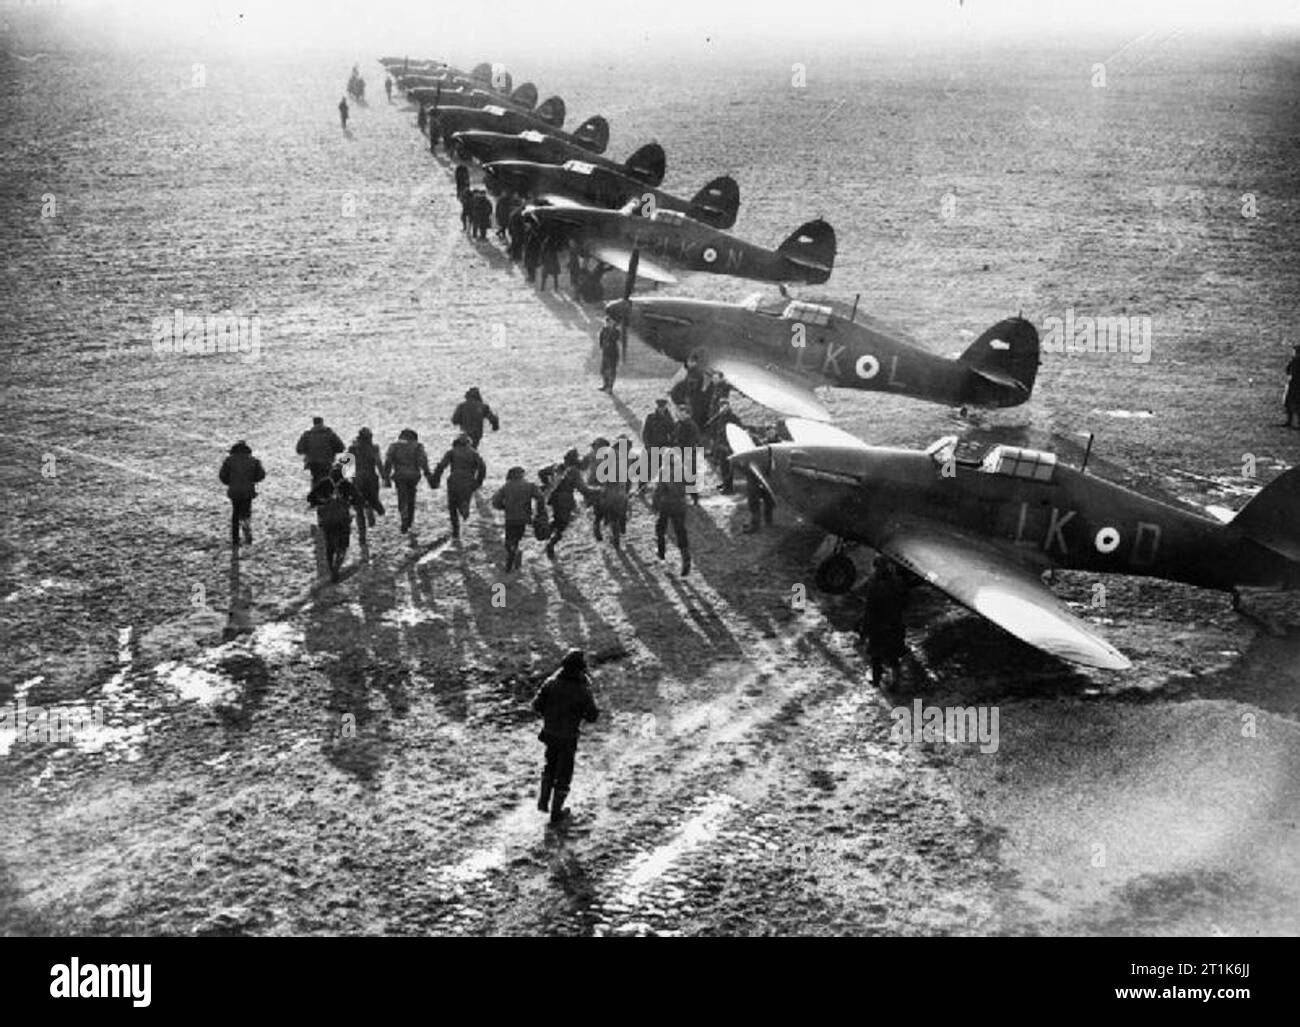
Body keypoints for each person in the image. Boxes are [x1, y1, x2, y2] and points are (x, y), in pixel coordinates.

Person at [531, 648, 600, 825]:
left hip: (550, 733)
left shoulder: (550, 683)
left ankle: (543, 801)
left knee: (550, 766)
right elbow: (592, 716)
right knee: (564, 774)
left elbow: (536, 706)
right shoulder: (582, 689)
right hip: (568, 737)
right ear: (580, 669)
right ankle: (556, 813)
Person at [308, 462, 362, 582]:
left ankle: (331, 567)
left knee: (329, 545)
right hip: (342, 520)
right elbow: (358, 498)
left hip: (327, 520)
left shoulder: (324, 483)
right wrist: (351, 502)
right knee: (343, 545)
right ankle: (337, 567)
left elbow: (310, 497)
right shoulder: (346, 484)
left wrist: (320, 503)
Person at [860, 556, 907, 691]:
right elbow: (906, 601)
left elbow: (869, 610)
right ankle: (895, 682)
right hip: (895, 624)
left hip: (878, 627)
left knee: (876, 656)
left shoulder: (874, 585)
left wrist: (864, 631)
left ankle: (876, 681)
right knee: (894, 656)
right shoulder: (898, 582)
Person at [431, 434, 487, 539]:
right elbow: (482, 468)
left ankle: (456, 531)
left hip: (453, 481)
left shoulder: (452, 452)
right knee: (464, 500)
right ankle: (464, 507)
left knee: (452, 506)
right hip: (468, 482)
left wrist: (435, 479)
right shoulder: (474, 453)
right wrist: (478, 482)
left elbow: (441, 466)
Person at [381, 427, 434, 533]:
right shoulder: (418, 447)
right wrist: (429, 476)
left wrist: (386, 477)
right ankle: (410, 520)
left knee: (402, 497)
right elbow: (423, 462)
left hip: (399, 475)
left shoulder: (394, 446)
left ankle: (404, 515)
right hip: (413, 476)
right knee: (411, 497)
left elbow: (388, 462)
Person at [543, 448, 592, 561]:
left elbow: (542, 472)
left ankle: (547, 531)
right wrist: (597, 491)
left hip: (555, 498)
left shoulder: (558, 466)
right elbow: (582, 489)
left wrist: (548, 484)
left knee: (558, 520)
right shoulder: (574, 472)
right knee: (562, 526)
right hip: (565, 501)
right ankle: (550, 544)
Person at [492, 466, 545, 571]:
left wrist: (504, 507)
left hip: (510, 518)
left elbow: (495, 502)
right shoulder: (530, 486)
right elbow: (540, 497)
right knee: (516, 539)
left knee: (509, 543)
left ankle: (510, 564)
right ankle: (515, 562)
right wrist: (539, 512)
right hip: (524, 518)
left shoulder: (506, 486)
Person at [218, 440, 266, 549]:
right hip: (248, 490)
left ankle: (235, 538)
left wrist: (230, 482)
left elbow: (222, 476)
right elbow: (261, 475)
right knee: (246, 511)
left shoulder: (229, 461)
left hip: (234, 491)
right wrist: (252, 480)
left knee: (235, 513)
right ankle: (246, 530)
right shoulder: (253, 460)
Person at [652, 451, 691, 575]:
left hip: (666, 504)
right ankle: (685, 555)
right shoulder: (683, 470)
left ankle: (661, 553)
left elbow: (659, 490)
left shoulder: (664, 471)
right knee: (680, 530)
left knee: (660, 529)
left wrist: (655, 503)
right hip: (680, 504)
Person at [348, 427, 386, 545]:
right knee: (372, 499)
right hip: (371, 480)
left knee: (359, 510)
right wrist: (385, 476)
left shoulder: (352, 449)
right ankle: (370, 510)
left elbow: (346, 469)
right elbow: (378, 463)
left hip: (357, 482)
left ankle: (362, 536)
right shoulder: (374, 448)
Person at [296, 415, 345, 487]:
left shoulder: (307, 434)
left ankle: (314, 494)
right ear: (322, 422)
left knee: (315, 479)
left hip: (312, 463)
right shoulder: (329, 433)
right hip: (326, 462)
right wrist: (332, 451)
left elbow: (299, 450)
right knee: (326, 479)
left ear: (313, 423)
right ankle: (326, 495)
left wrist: (308, 451)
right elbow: (341, 447)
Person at [674, 406, 703, 505]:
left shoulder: (691, 425)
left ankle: (695, 498)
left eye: (682, 413)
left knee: (690, 478)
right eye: (679, 412)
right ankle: (683, 498)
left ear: (687, 414)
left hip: (689, 454)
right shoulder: (678, 424)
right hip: (680, 453)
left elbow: (694, 440)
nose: (680, 415)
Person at [598, 316, 620, 392]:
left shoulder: (616, 331)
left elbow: (615, 339)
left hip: (613, 352)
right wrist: (602, 347)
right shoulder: (603, 330)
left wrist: (612, 329)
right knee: (603, 370)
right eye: (607, 322)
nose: (607, 323)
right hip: (606, 352)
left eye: (609, 322)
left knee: (611, 370)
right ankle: (605, 385)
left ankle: (610, 387)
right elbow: (601, 340)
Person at [1283, 344, 1300, 429]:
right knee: (1291, 403)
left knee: (1293, 402)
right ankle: (1290, 421)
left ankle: (1290, 421)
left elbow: (1288, 370)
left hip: (1295, 384)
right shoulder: (1294, 361)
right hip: (1294, 384)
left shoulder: (1295, 361)